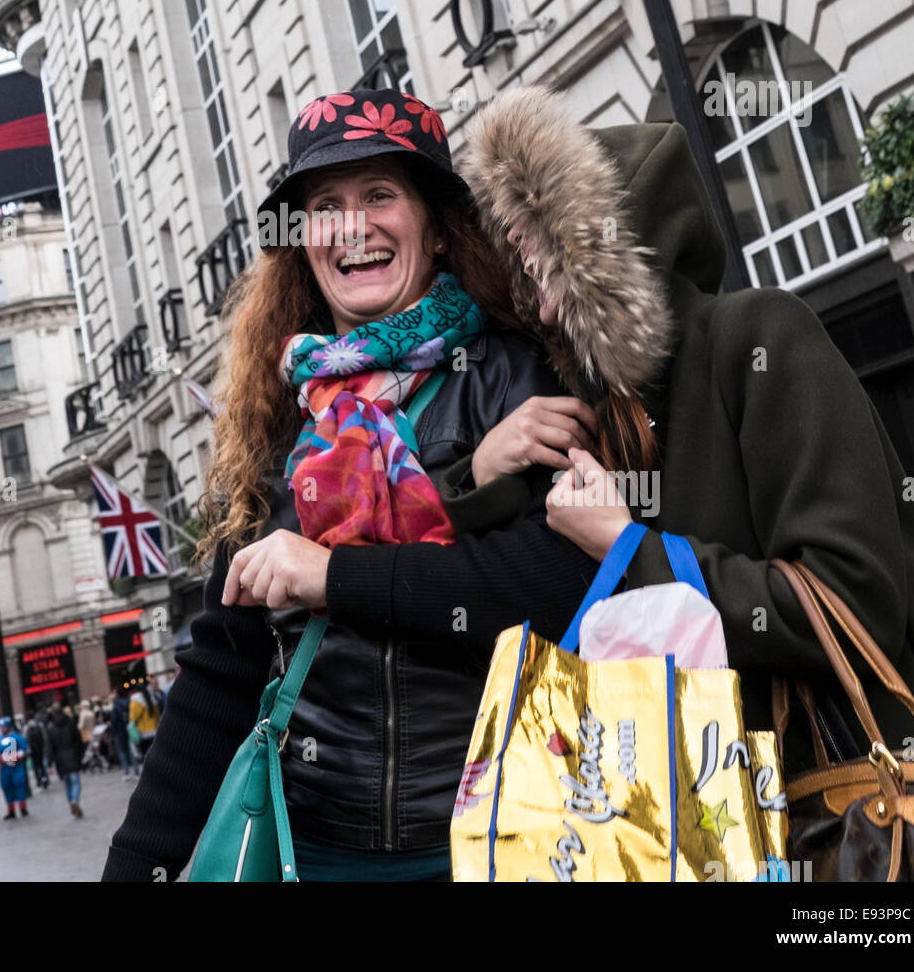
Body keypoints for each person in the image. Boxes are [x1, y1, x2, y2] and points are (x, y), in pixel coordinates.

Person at [103, 86, 600, 881]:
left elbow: (557, 583)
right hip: (316, 854)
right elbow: (225, 662)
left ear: (436, 228)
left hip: (501, 841)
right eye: (326, 204)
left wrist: (329, 575)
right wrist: (137, 864)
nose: (354, 225)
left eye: (380, 195)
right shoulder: (279, 419)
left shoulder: (515, 376)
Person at [459, 84, 914, 750]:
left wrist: (627, 550)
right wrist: (482, 472)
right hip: (709, 822)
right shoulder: (594, 411)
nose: (525, 262)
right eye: (516, 247)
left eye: (539, 239)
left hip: (857, 796)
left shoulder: (761, 337)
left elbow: (855, 604)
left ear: (605, 249)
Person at [47, 700, 85, 817]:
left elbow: (50, 746)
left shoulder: (50, 726)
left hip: (60, 758)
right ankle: (74, 800)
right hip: (72, 755)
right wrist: (80, 755)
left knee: (67, 783)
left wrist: (49, 763)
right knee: (76, 782)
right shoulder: (70, 722)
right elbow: (78, 740)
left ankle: (71, 804)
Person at [0, 718, 30, 818]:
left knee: (19, 785)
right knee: (7, 787)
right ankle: (11, 810)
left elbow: (23, 750)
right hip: (4, 769)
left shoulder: (17, 738)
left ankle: (23, 808)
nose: (2, 729)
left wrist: (14, 756)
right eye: (0, 727)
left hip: (16, 767)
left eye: (4, 726)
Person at [108, 689, 139, 782]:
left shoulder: (116, 706)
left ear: (117, 694)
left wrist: (113, 734)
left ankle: (127, 773)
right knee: (131, 751)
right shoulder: (129, 702)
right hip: (129, 730)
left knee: (122, 753)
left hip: (119, 732)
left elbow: (114, 721)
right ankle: (137, 772)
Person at [127, 686, 160, 761]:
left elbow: (133, 718)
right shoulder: (152, 698)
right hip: (155, 730)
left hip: (143, 732)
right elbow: (157, 715)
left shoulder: (135, 701)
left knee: (147, 756)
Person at [24, 711, 50, 789]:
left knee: (36, 766)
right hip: (41, 748)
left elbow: (25, 739)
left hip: (32, 750)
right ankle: (45, 779)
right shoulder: (40, 725)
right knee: (43, 765)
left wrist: (28, 750)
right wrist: (45, 747)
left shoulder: (26, 727)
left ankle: (39, 780)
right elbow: (45, 737)